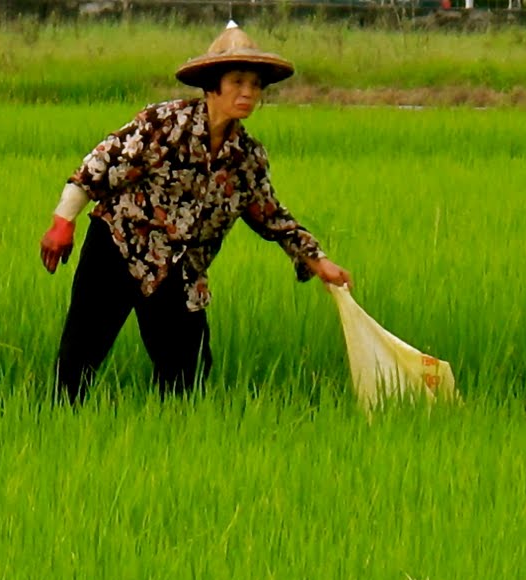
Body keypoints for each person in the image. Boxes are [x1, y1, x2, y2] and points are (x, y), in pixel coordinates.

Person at [39, 23, 352, 402]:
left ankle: (171, 443)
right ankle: (55, 420)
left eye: (255, 84)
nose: (248, 92)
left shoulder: (246, 158)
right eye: (237, 81)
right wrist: (62, 223)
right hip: (119, 249)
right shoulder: (163, 125)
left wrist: (318, 261)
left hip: (181, 269)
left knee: (185, 378)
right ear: (211, 85)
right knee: (78, 361)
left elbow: (271, 216)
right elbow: (98, 167)